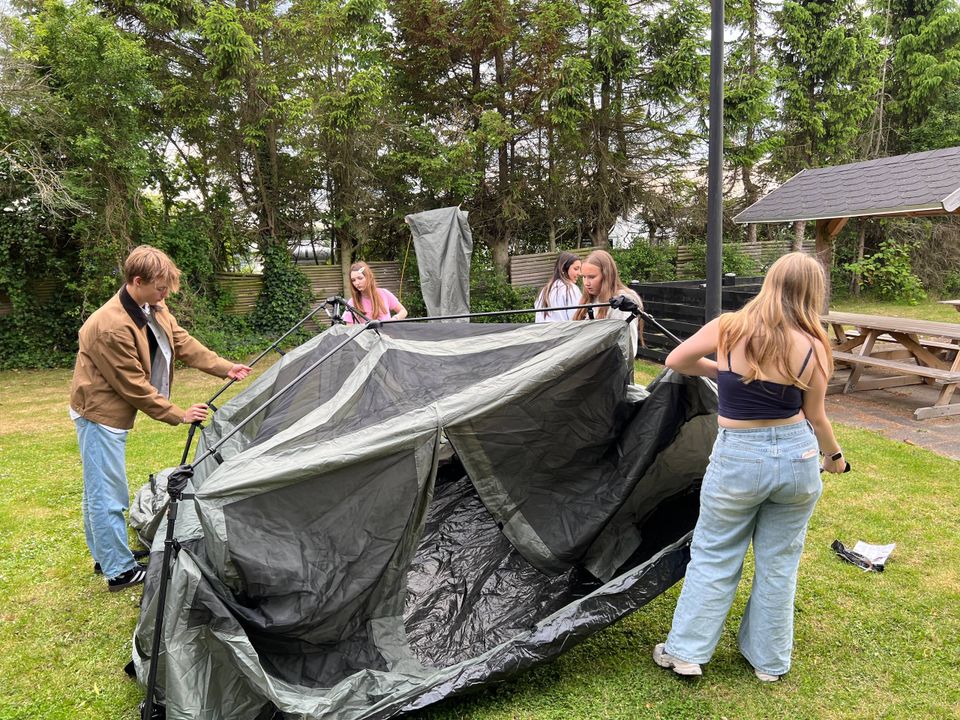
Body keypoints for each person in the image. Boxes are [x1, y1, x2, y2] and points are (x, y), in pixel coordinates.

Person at [653, 252, 847, 682]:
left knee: (715, 554)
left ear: (770, 282)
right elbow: (816, 417)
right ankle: (769, 663)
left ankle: (686, 653)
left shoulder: (729, 326)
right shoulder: (815, 345)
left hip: (739, 456)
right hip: (798, 457)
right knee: (779, 563)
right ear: (813, 292)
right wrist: (834, 458)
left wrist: (722, 369)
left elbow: (676, 360)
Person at [69, 245, 252, 592]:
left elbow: (180, 341)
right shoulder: (110, 327)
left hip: (110, 413)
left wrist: (224, 367)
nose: (165, 295)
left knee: (99, 490)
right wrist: (179, 414)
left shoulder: (151, 305)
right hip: (99, 415)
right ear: (137, 281)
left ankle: (108, 555)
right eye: (160, 288)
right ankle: (118, 571)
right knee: (107, 494)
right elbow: (134, 386)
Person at [572, 249, 644, 360]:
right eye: (584, 277)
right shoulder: (590, 299)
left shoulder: (621, 301)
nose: (586, 283)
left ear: (606, 276)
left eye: (591, 277)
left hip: (611, 367)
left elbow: (626, 349)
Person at [534, 252, 582, 322]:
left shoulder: (544, 290)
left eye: (580, 269)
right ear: (564, 269)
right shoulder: (571, 289)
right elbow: (576, 319)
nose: (580, 273)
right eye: (576, 269)